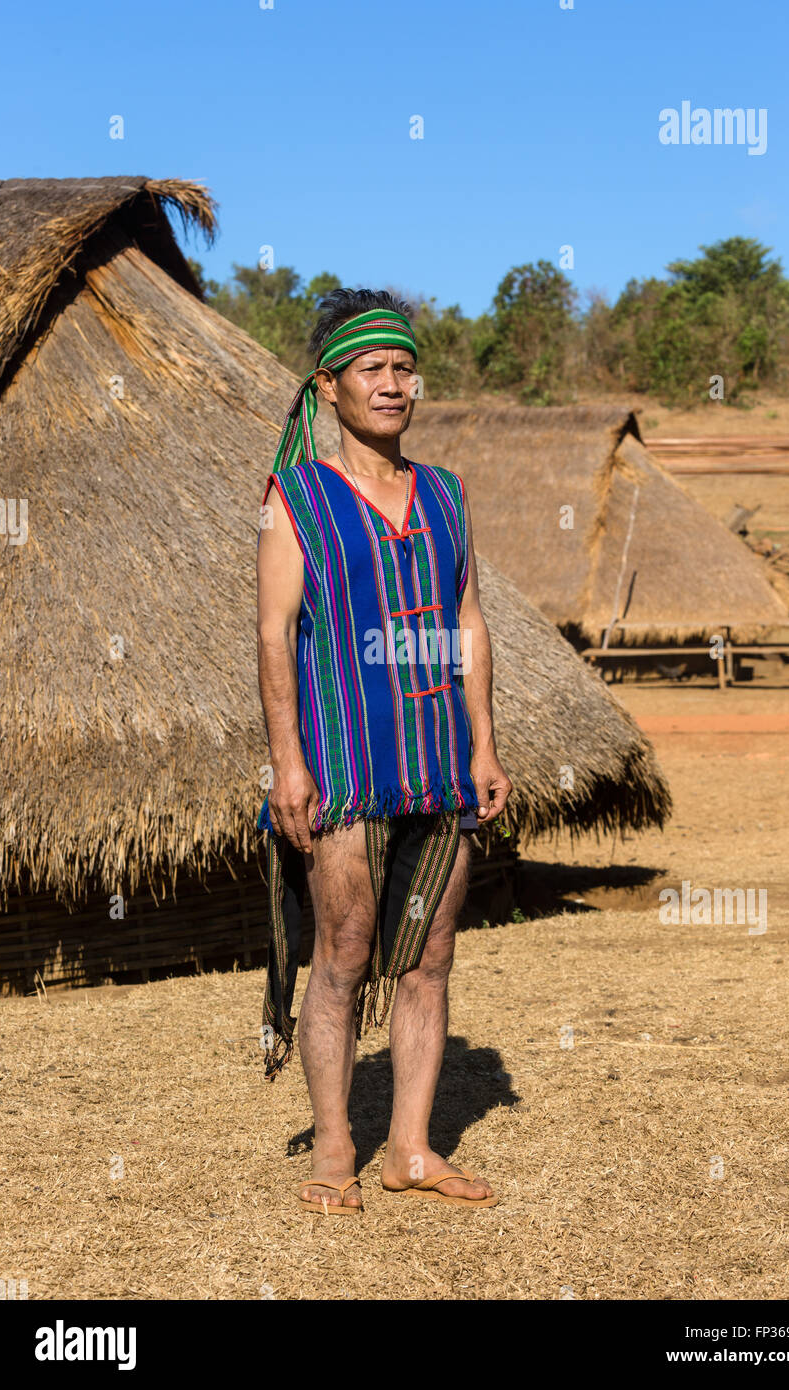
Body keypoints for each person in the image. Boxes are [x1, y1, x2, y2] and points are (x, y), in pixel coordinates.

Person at [256, 289, 511, 1213]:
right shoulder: (298, 500)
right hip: (344, 764)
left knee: (432, 955)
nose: (394, 385)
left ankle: (409, 1148)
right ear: (331, 385)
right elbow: (275, 637)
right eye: (374, 369)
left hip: (439, 759)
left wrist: (484, 745)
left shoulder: (446, 494)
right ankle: (334, 1147)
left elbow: (470, 621)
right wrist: (288, 764)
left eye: (405, 368)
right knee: (346, 951)